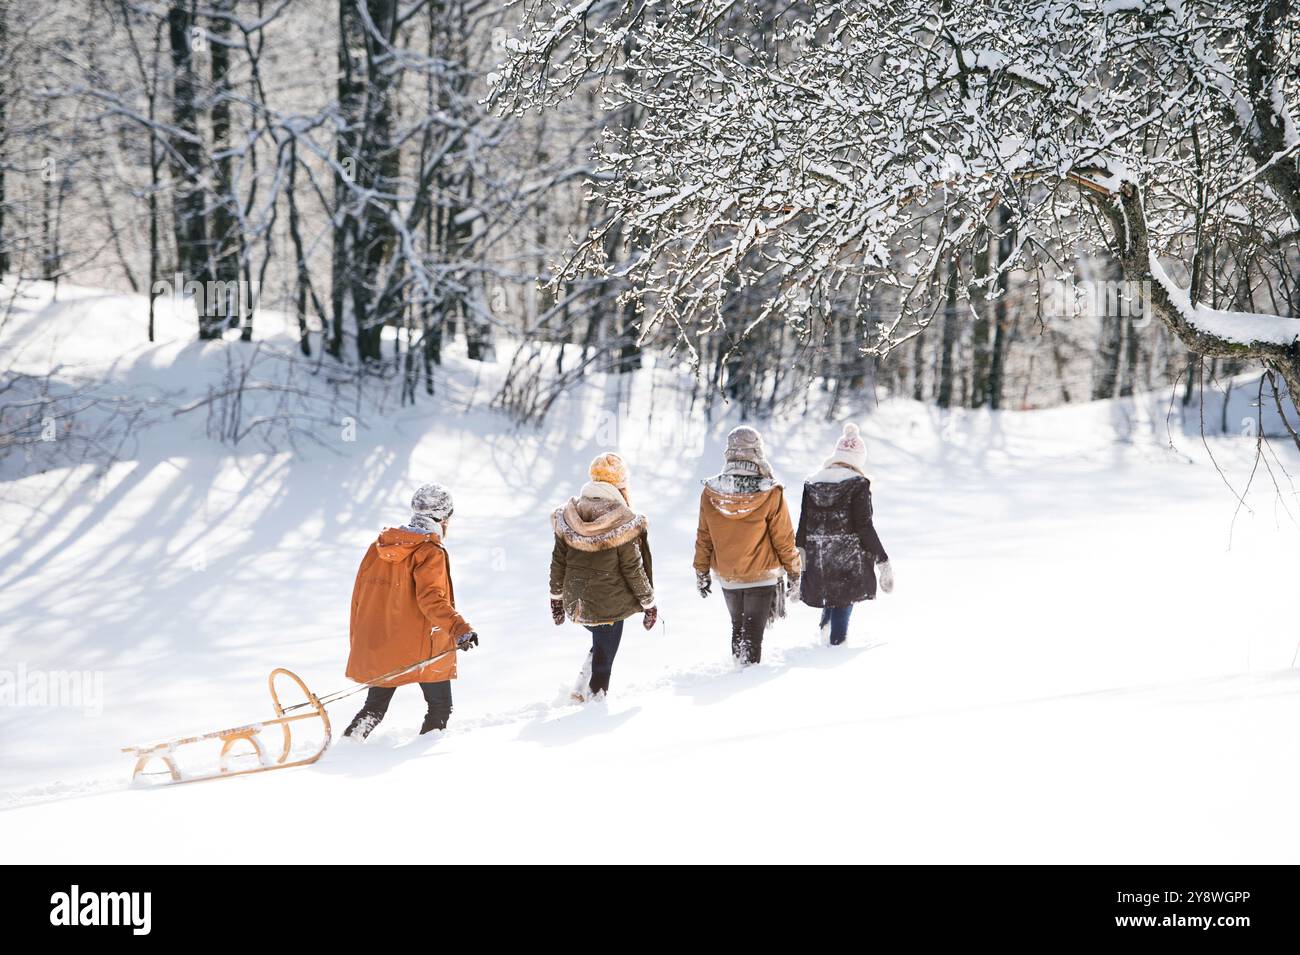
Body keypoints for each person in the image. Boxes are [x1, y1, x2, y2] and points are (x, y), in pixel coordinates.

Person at [343, 483, 479, 740]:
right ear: (442, 518)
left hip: (379, 643)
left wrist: (361, 640)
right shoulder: (428, 551)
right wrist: (460, 629)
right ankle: (422, 761)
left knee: (373, 708)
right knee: (439, 707)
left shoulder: (378, 547)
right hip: (423, 647)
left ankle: (347, 746)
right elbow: (431, 601)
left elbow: (360, 598)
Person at [549, 452, 657, 701]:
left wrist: (555, 598)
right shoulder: (622, 519)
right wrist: (649, 604)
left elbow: (558, 561)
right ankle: (594, 703)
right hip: (608, 604)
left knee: (600, 644)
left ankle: (578, 690)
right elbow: (633, 568)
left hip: (576, 602)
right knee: (605, 659)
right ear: (620, 484)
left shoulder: (571, 513)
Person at [694, 426, 800, 665]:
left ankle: (738, 672)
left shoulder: (710, 493)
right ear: (757, 452)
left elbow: (704, 536)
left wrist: (701, 571)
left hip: (728, 575)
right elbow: (784, 539)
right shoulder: (770, 492)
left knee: (738, 629)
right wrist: (794, 571)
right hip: (761, 575)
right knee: (752, 634)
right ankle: (744, 680)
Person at [795, 423, 894, 646]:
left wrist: (796, 563)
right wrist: (883, 560)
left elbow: (803, 525)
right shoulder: (858, 484)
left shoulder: (812, 483)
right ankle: (835, 647)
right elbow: (864, 527)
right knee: (843, 600)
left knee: (830, 598)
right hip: (848, 558)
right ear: (859, 460)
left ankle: (824, 640)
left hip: (818, 554)